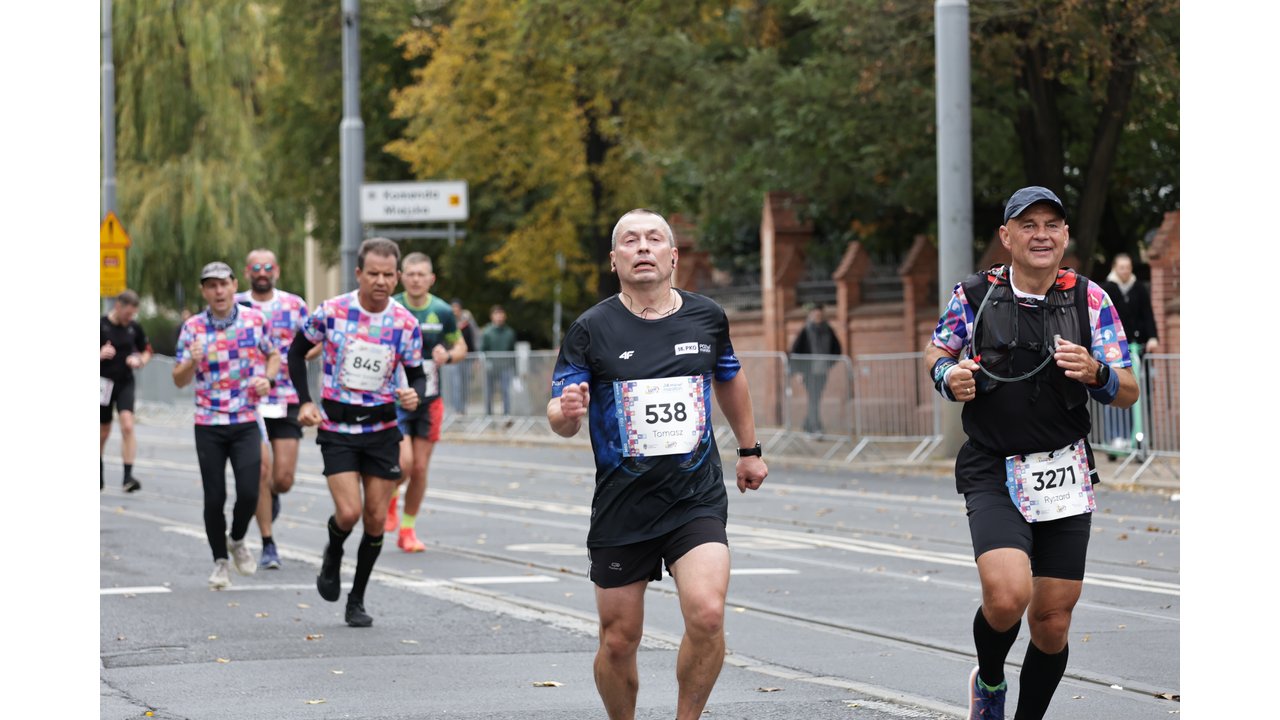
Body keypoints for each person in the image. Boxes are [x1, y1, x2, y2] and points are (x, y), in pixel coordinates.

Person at [923, 187, 1139, 720]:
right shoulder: (974, 295)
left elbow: (1129, 387)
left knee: (1052, 620)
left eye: (1052, 225)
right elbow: (937, 350)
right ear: (1006, 237)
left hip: (1064, 470)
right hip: (993, 465)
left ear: (1065, 235)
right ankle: (991, 681)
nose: (1041, 234)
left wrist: (1099, 373)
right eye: (1028, 225)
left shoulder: (1092, 299)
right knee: (1006, 595)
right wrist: (947, 376)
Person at [547, 208, 768, 720]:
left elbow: (729, 376)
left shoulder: (706, 316)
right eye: (630, 240)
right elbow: (560, 412)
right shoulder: (591, 328)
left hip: (695, 496)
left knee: (708, 615)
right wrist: (567, 411)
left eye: (653, 239)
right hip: (623, 503)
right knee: (619, 640)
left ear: (673, 256)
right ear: (614, 260)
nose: (642, 247)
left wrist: (750, 450)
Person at [287, 237, 426, 627]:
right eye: (373, 274)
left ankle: (357, 598)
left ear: (397, 277)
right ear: (359, 274)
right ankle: (333, 555)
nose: (380, 281)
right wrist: (304, 401)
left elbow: (417, 372)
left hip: (382, 429)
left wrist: (415, 394)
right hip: (337, 428)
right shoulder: (331, 312)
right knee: (348, 513)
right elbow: (296, 352)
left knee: (376, 520)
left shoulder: (404, 323)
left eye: (387, 275)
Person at [173, 262, 281, 589]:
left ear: (235, 285)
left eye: (223, 284)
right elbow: (178, 380)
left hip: (245, 418)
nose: (218, 291)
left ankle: (236, 539)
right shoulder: (193, 328)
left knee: (251, 489)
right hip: (209, 422)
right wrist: (192, 360)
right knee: (214, 497)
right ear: (204, 291)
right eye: (211, 286)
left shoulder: (254, 320)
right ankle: (220, 561)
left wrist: (267, 377)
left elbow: (274, 355)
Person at [384, 252, 467, 553]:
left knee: (419, 468)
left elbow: (460, 345)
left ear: (431, 279)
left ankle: (407, 529)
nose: (416, 279)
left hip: (429, 399)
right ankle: (392, 495)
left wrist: (449, 355)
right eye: (410, 274)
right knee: (403, 464)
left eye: (422, 274)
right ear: (401, 277)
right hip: (397, 398)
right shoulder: (392, 307)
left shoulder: (442, 311)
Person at [235, 249, 312, 570]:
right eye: (256, 267)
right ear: (248, 271)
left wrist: (300, 356)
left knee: (282, 478)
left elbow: (314, 338)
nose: (262, 272)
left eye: (267, 267)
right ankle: (268, 543)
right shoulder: (237, 304)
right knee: (261, 471)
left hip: (287, 399)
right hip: (249, 400)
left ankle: (272, 497)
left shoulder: (294, 305)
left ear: (276, 270)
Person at [1098, 253, 1160, 452]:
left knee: (1141, 392)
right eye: (1122, 267)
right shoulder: (1107, 289)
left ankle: (1140, 436)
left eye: (1128, 267)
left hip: (1138, 347)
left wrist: (1152, 337)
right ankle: (1117, 436)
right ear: (1115, 268)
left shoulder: (1139, 288)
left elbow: (1147, 313)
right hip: (1115, 349)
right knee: (1116, 389)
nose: (1125, 271)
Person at [101, 289, 153, 492]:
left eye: (132, 314)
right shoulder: (101, 325)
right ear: (118, 307)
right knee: (103, 431)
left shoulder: (134, 327)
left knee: (128, 425)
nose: (129, 318)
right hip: (102, 383)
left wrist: (139, 360)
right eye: (127, 314)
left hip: (125, 382)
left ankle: (128, 477)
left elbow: (147, 350)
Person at [788, 303, 842, 434]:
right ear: (811, 315)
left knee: (816, 398)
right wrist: (799, 372)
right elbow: (796, 351)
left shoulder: (828, 330)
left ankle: (808, 424)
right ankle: (815, 426)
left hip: (822, 371)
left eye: (820, 314)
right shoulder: (806, 330)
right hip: (808, 372)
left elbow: (837, 349)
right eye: (815, 314)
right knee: (813, 398)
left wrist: (829, 364)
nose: (818, 317)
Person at [480, 304, 517, 416]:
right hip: (491, 367)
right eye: (497, 314)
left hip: (505, 367)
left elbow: (512, 351)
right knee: (488, 392)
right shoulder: (487, 332)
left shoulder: (510, 332)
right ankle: (488, 415)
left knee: (506, 392)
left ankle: (507, 414)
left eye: (501, 314)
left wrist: (515, 369)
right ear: (492, 316)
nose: (499, 317)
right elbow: (483, 349)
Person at [443, 298, 479, 414]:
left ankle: (463, 407)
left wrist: (476, 356)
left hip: (467, 357)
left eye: (456, 308)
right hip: (454, 357)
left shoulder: (467, 322)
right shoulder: (449, 322)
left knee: (465, 384)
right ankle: (457, 409)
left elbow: (474, 337)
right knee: (456, 384)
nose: (455, 311)